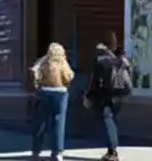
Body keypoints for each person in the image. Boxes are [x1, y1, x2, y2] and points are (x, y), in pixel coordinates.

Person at [84, 32, 132, 161]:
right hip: (120, 95)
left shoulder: (100, 61)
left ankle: (112, 151)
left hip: (106, 96)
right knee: (112, 120)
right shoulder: (121, 59)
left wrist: (88, 96)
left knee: (107, 120)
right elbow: (129, 75)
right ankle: (111, 150)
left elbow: (94, 82)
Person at [29, 42, 75, 161]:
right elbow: (69, 77)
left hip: (44, 92)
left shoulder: (44, 62)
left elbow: (34, 71)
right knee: (59, 123)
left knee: (40, 123)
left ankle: (36, 151)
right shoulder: (63, 63)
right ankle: (57, 153)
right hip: (60, 93)